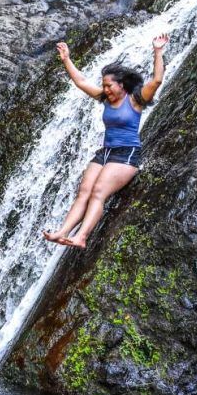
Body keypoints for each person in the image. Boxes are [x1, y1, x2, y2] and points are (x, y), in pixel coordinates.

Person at [43, 34, 169, 249]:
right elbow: (81, 82)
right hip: (106, 152)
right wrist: (66, 59)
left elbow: (157, 80)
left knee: (98, 192)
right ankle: (62, 232)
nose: (106, 89)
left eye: (109, 85)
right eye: (104, 86)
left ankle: (81, 237)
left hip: (126, 153)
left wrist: (158, 51)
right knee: (84, 192)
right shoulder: (105, 98)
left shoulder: (136, 100)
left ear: (122, 85)